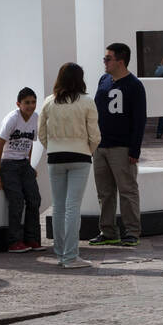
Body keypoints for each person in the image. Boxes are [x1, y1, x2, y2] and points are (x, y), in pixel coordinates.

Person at [38, 62, 99, 268]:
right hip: (79, 155)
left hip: (55, 156)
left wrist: (53, 147)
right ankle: (71, 256)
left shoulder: (49, 101)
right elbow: (95, 135)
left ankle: (61, 253)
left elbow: (41, 134)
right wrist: (87, 150)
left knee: (59, 207)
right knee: (73, 207)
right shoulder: (87, 101)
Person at [90, 42, 146, 247]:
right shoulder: (103, 80)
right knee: (104, 192)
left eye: (108, 58)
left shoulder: (134, 85)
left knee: (127, 190)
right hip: (101, 146)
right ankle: (108, 231)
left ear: (120, 61)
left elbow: (139, 120)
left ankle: (132, 231)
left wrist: (135, 149)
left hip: (122, 147)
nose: (104, 62)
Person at [0, 87, 43, 253]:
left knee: (34, 199)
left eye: (33, 102)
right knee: (16, 201)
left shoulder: (36, 118)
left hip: (23, 164)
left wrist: (29, 163)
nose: (31, 106)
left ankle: (32, 239)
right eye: (27, 103)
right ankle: (14, 241)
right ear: (18, 104)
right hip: (8, 164)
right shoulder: (12, 119)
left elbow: (29, 143)